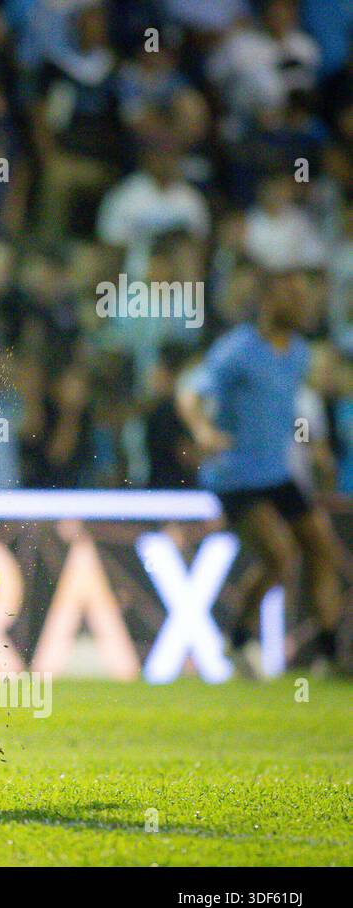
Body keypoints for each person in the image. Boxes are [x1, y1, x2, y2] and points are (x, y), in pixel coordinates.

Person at [177, 268, 345, 675]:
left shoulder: (300, 353)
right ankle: (238, 638)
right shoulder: (237, 350)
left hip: (277, 473)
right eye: (296, 295)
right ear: (271, 301)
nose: (307, 305)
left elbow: (284, 410)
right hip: (235, 474)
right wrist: (204, 431)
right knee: (280, 556)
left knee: (324, 549)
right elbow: (190, 393)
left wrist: (314, 447)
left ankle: (328, 654)